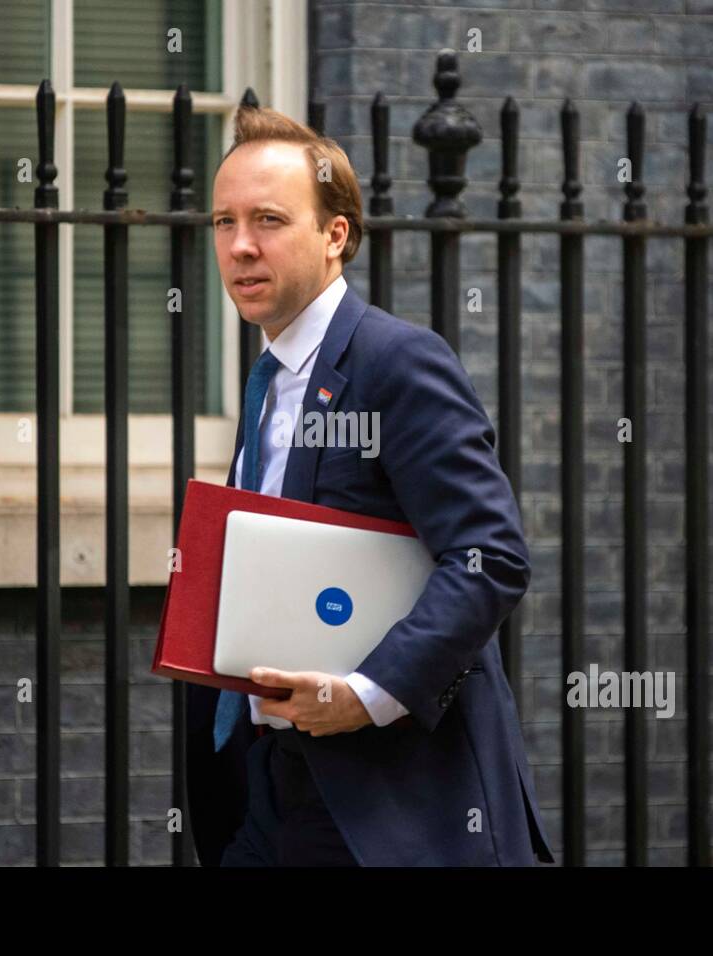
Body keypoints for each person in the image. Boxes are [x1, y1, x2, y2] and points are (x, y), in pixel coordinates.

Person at [184, 104, 554, 867]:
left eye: (269, 219)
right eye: (224, 222)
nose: (240, 245)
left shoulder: (396, 362)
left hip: (386, 807)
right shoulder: (270, 381)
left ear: (335, 235)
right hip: (270, 786)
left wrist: (365, 695)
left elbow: (489, 557)